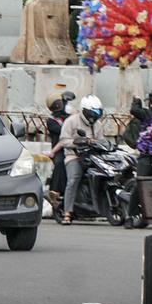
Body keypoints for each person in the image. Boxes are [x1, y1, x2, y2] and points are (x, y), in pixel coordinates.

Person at [56, 94, 109, 225]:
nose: (94, 116)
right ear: (84, 110)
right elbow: (63, 141)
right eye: (92, 113)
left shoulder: (98, 125)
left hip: (93, 157)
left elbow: (101, 140)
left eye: (97, 113)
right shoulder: (71, 121)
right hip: (74, 156)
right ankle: (67, 212)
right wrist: (79, 142)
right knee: (74, 179)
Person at [43, 92, 76, 210]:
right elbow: (65, 131)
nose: (61, 105)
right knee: (60, 163)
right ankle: (55, 192)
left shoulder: (69, 116)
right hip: (60, 150)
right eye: (60, 103)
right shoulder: (51, 121)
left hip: (73, 146)